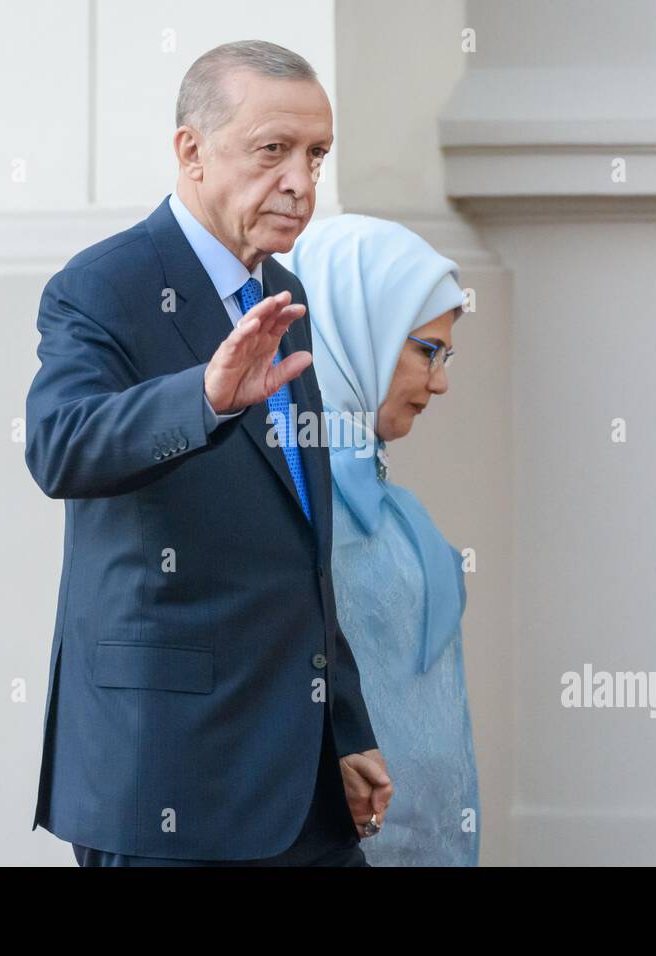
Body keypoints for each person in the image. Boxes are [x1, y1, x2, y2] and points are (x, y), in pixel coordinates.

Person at [22, 41, 393, 866]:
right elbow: (60, 447)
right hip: (172, 778)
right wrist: (204, 398)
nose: (301, 181)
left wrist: (345, 726)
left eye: (316, 154)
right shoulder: (102, 285)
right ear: (190, 149)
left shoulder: (281, 291)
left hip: (303, 783)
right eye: (273, 151)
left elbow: (300, 545)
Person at [278, 214, 480, 865]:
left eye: (445, 356)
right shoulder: (282, 495)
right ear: (353, 327)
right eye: (426, 350)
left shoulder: (394, 509)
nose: (441, 381)